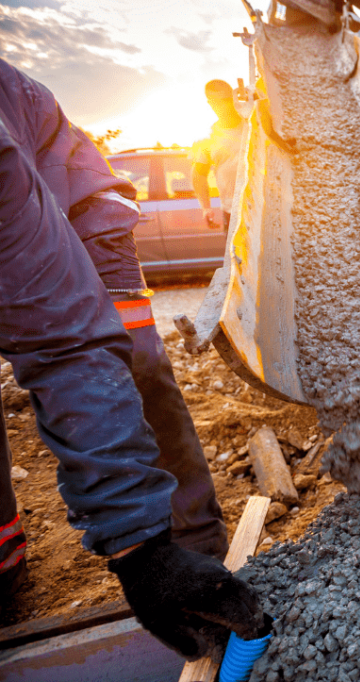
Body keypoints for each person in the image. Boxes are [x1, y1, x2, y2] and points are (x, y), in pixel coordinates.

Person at [0, 58, 262, 659]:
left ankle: (197, 549)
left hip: (76, 209)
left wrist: (141, 552)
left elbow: (64, 342)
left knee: (132, 372)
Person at [192, 79, 245, 233]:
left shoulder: (252, 124)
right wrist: (206, 208)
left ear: (234, 97)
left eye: (226, 100)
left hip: (262, 206)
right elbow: (198, 174)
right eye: (216, 102)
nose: (223, 106)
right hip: (232, 212)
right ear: (210, 104)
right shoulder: (208, 138)